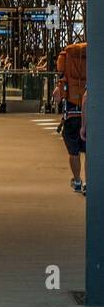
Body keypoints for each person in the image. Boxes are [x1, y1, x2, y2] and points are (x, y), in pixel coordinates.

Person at [53, 41, 87, 193]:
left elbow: (58, 97)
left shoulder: (65, 73)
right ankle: (88, 182)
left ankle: (78, 181)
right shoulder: (92, 68)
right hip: (90, 115)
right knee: (89, 151)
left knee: (74, 152)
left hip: (71, 115)